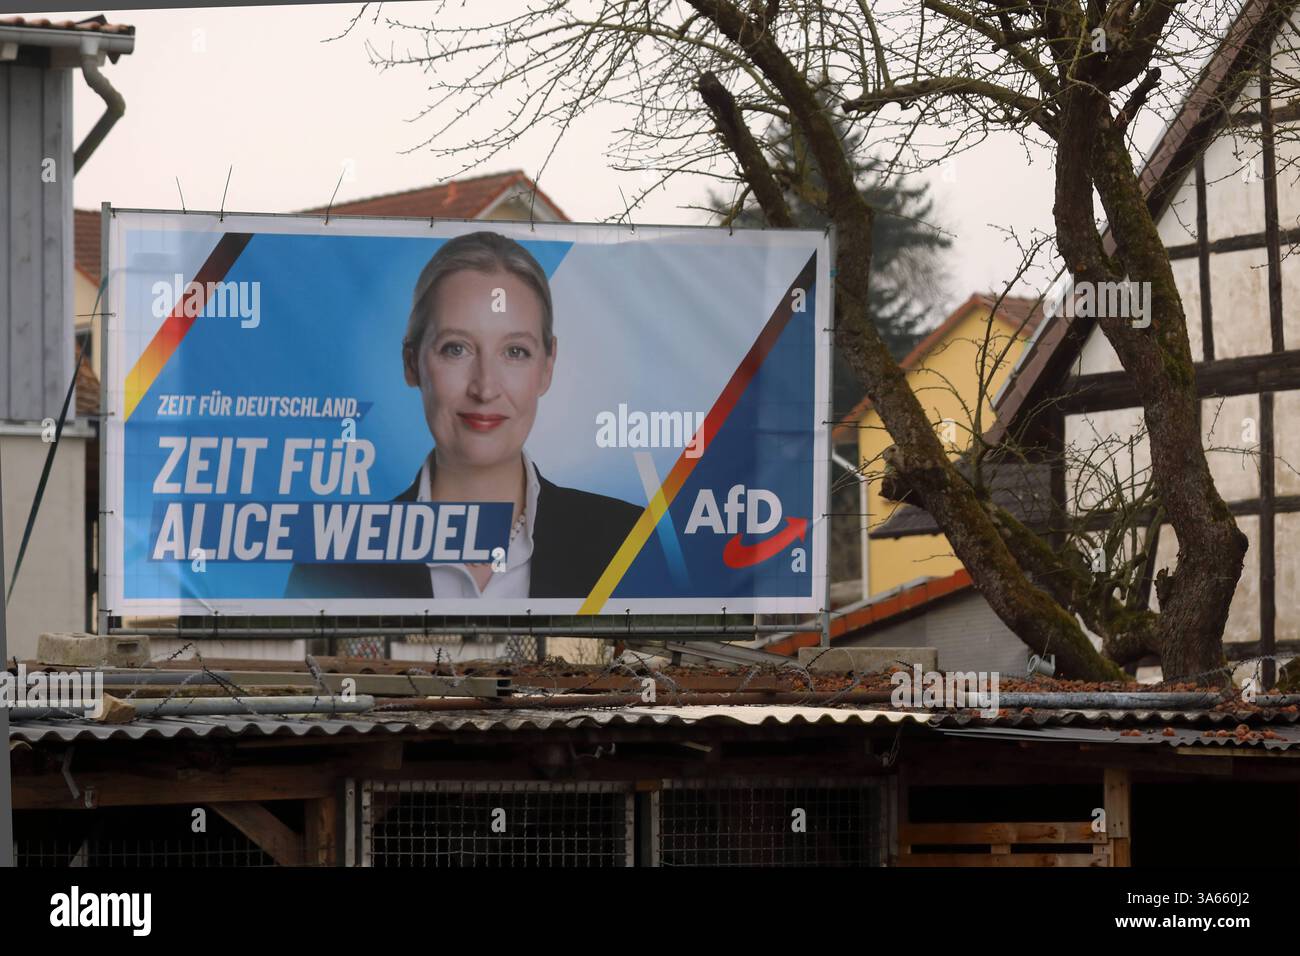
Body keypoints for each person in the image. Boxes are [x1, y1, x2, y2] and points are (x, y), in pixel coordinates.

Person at [286, 230, 642, 600]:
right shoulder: (331, 560)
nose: (485, 388)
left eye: (515, 352)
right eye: (456, 349)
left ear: (547, 366)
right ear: (412, 363)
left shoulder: (632, 544)